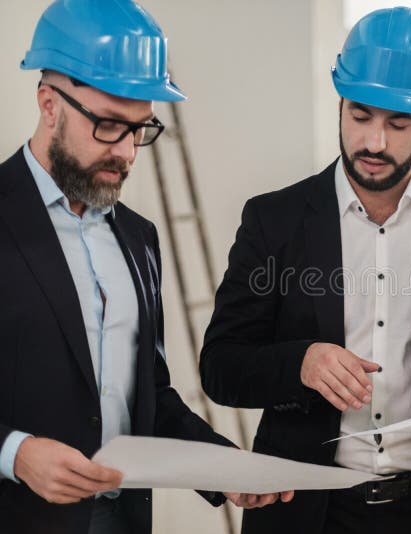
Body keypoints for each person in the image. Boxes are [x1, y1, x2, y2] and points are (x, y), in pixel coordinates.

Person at [199, 7, 411, 534]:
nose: (374, 143)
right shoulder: (273, 220)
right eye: (360, 116)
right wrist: (300, 363)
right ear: (341, 102)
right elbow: (221, 367)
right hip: (306, 512)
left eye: (398, 124)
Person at [0, 1, 292, 532]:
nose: (128, 153)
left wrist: (221, 463)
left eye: (140, 129)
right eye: (110, 126)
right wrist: (13, 452)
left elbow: (150, 396)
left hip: (124, 519)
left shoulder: (139, 238)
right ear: (48, 104)